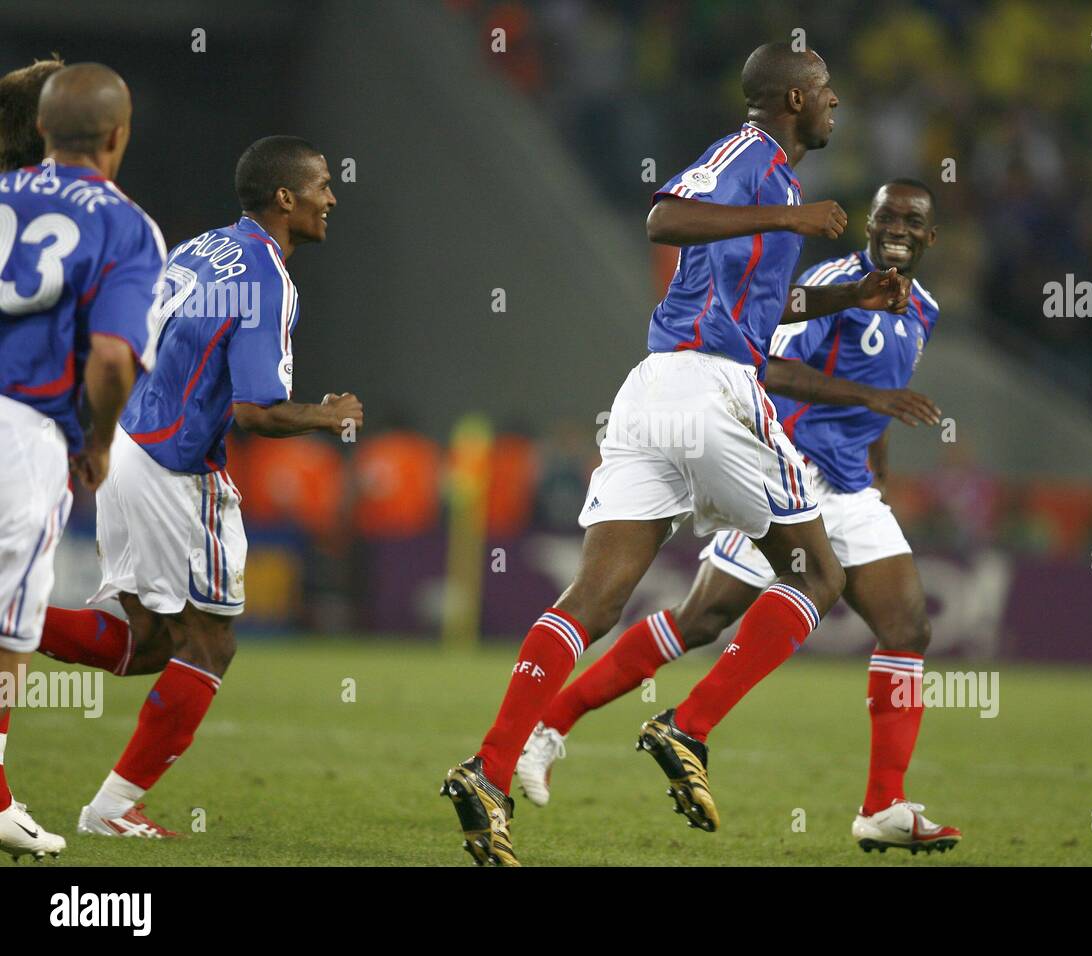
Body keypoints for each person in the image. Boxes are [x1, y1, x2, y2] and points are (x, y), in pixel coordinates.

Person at [441, 42, 928, 866]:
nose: (837, 106)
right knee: (816, 574)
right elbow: (664, 216)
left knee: (593, 602)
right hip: (709, 389)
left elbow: (768, 298)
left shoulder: (777, 178)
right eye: (827, 93)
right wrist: (788, 219)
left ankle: (491, 766)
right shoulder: (750, 157)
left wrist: (849, 293)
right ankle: (686, 727)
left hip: (655, 396)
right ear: (794, 98)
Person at [518, 180, 960, 855]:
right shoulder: (833, 284)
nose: (896, 227)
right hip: (786, 474)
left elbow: (883, 401)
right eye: (886, 216)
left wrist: (879, 464)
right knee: (702, 619)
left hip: (852, 489)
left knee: (908, 626)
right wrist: (870, 397)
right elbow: (768, 369)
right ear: (868, 226)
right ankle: (556, 723)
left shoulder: (921, 308)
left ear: (930, 237)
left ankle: (883, 806)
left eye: (911, 220)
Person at [37, 135, 362, 838]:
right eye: (322, 185)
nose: (331, 197)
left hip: (129, 444)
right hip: (175, 467)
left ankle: (15, 614)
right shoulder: (267, 277)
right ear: (286, 197)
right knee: (212, 644)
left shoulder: (201, 247)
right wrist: (328, 415)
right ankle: (112, 810)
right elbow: (255, 410)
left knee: (153, 641)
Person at [0, 63, 166, 859]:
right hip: (22, 427)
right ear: (115, 136)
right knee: (9, 624)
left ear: (39, 129)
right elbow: (109, 356)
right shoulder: (127, 225)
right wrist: (98, 442)